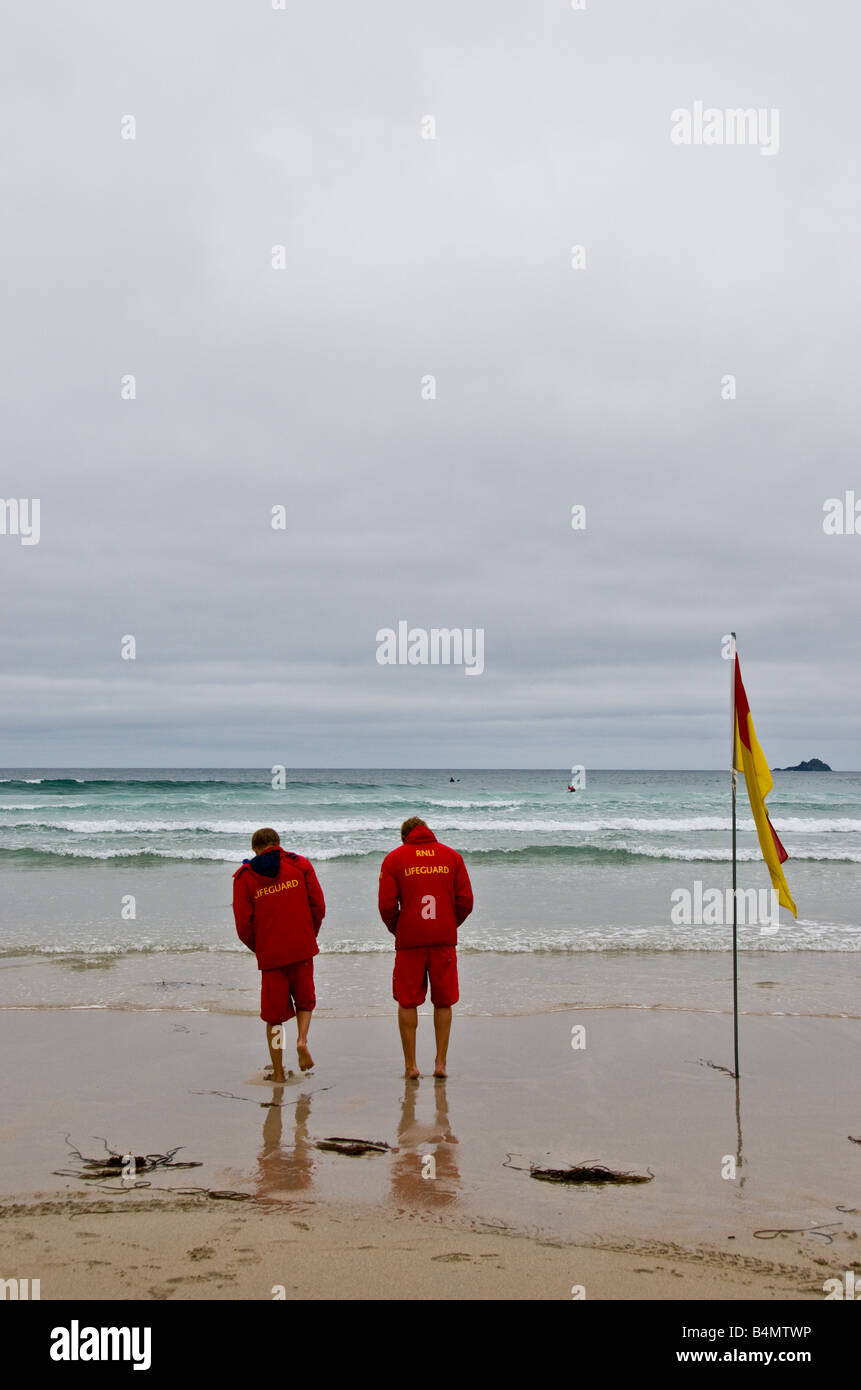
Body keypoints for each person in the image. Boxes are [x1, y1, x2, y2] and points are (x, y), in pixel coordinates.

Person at [378, 816, 473, 1079]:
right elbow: (466, 901)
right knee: (443, 1001)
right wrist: (448, 924)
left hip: (410, 941)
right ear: (429, 832)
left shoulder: (394, 859)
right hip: (443, 938)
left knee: (407, 1002)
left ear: (404, 837)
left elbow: (386, 905)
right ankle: (440, 1063)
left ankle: (411, 1066)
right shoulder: (452, 857)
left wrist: (399, 928)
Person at [233, 827, 325, 1081]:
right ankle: (302, 1040)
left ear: (255, 850)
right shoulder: (300, 865)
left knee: (274, 1018)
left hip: (272, 955)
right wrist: (309, 934)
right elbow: (318, 905)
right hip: (302, 947)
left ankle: (278, 1073)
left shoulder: (244, 877)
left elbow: (243, 925)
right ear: (278, 843)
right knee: (305, 1002)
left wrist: (261, 947)